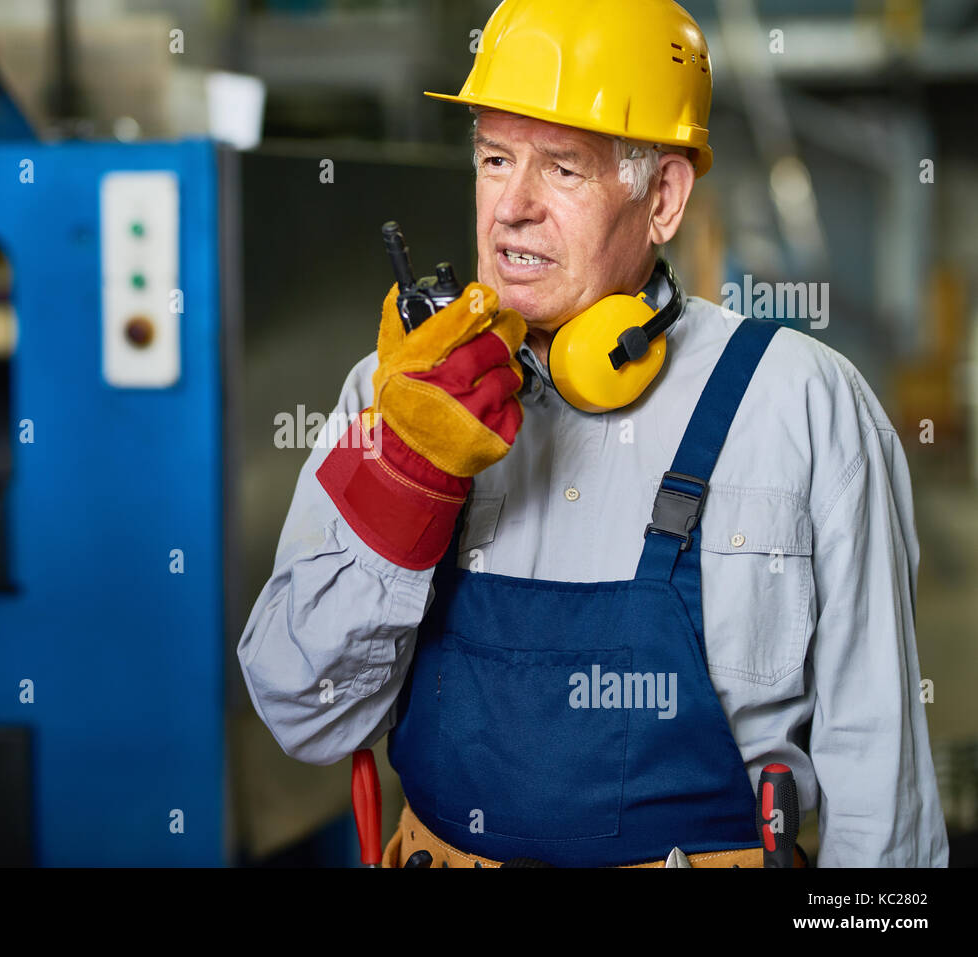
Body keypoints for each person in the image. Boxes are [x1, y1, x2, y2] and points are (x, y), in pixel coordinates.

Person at [237, 0, 948, 867]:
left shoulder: (800, 406)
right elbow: (301, 713)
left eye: (563, 169)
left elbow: (885, 803)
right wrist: (405, 479)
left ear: (664, 198)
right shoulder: (394, 399)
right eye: (494, 159)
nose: (513, 207)